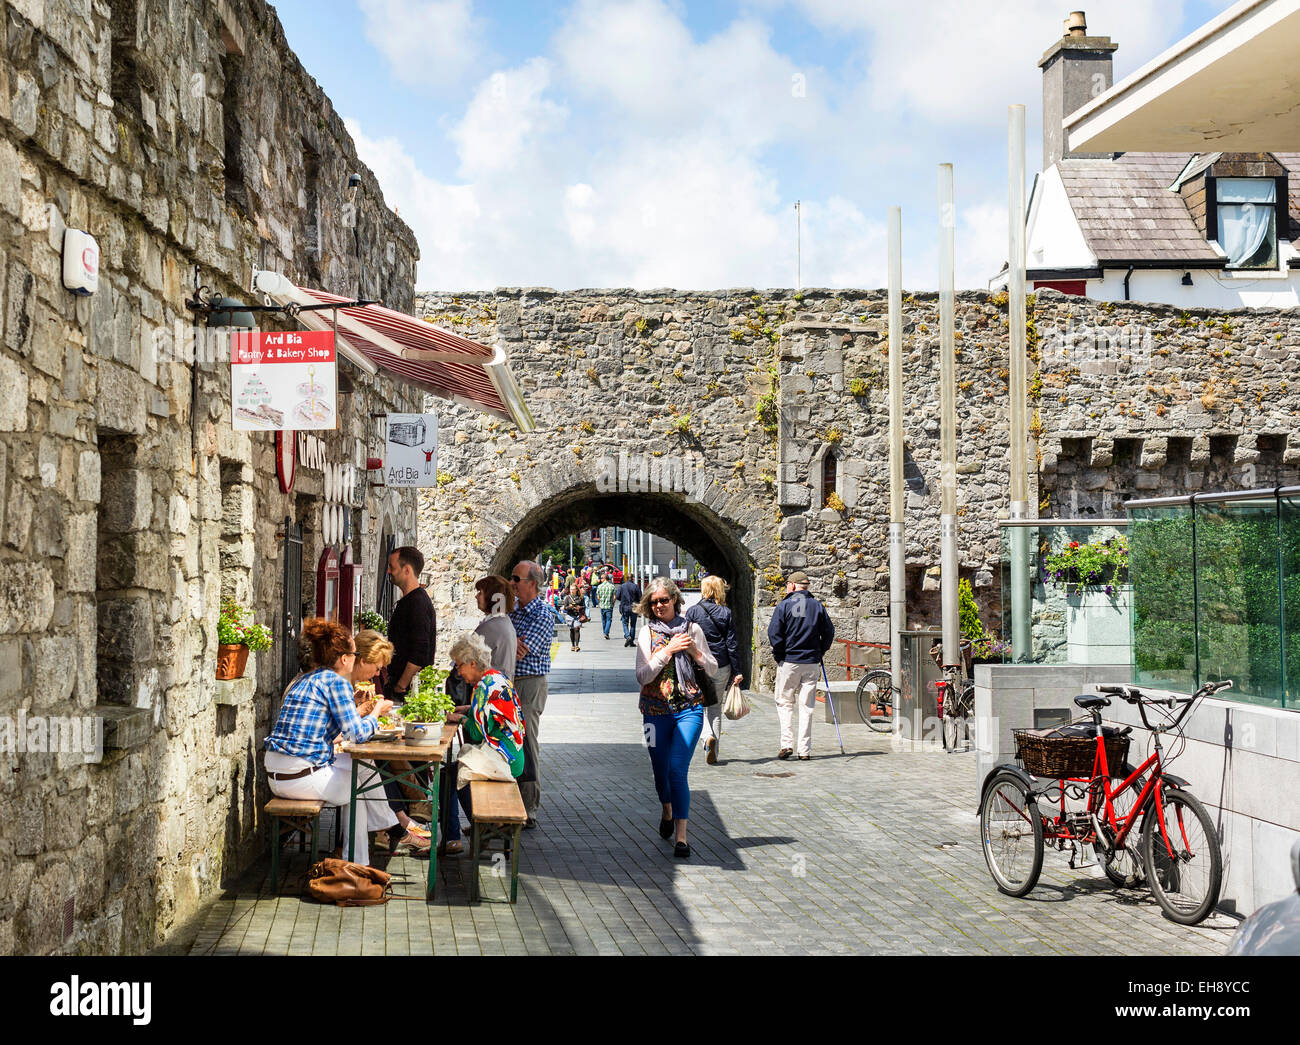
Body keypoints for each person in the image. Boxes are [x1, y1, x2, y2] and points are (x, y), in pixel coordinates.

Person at [264, 619, 398, 868]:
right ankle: (358, 861)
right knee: (358, 784)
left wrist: (359, 710)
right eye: (354, 653)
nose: (356, 657)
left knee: (361, 768)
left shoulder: (308, 678)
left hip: (277, 773)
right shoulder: (336, 682)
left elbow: (333, 729)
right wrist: (376, 712)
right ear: (344, 658)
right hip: (299, 777)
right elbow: (357, 735)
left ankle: (379, 830)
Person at [636, 577, 716, 859]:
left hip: (689, 708)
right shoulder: (646, 634)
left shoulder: (692, 629)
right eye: (654, 602)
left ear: (675, 600)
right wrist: (667, 652)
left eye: (664, 600)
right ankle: (666, 809)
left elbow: (714, 668)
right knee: (660, 772)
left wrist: (693, 651)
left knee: (677, 771)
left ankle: (682, 837)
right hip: (653, 712)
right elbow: (642, 675)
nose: (659, 605)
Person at [351, 629, 429, 852]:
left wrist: (364, 707)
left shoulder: (351, 682)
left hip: (346, 751)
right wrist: (373, 710)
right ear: (363, 660)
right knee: (371, 766)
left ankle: (399, 822)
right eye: (376, 667)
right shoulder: (340, 681)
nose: (377, 672)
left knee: (378, 763)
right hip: (334, 758)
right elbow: (350, 730)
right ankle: (401, 823)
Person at [766, 571, 835, 761]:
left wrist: (779, 655)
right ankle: (804, 750)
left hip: (790, 660)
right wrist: (820, 652)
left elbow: (774, 633)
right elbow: (829, 632)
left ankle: (787, 744)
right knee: (807, 706)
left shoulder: (784, 605)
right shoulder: (817, 606)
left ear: (794, 585)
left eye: (788, 584)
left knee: (785, 701)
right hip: (811, 662)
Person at [447, 633, 526, 791]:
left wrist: (459, 719)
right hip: (516, 756)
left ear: (472, 664)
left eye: (459, 666)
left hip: (504, 759)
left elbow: (476, 733)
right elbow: (492, 712)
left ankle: (474, 816)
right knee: (453, 772)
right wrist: (469, 709)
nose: (459, 672)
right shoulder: (497, 678)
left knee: (451, 776)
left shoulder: (482, 689)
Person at [508, 560, 553, 828]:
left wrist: (511, 641)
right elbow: (505, 645)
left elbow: (519, 649)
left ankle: (528, 807)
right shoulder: (515, 612)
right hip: (513, 682)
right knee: (509, 741)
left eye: (516, 579)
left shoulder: (543, 614)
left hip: (529, 683)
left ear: (532, 584)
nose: (512, 583)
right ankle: (510, 805)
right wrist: (511, 641)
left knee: (526, 742)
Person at [684, 575, 744, 765]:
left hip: (699, 665)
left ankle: (706, 737)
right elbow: (731, 644)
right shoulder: (725, 613)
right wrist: (737, 670)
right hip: (722, 664)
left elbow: (685, 639)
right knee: (715, 709)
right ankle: (714, 750)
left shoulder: (693, 612)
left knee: (697, 707)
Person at [384, 546, 436, 700]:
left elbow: (420, 652)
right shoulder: (411, 601)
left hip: (407, 690)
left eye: (392, 567)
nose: (388, 571)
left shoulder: (417, 603)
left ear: (406, 570)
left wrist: (401, 685)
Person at [473, 575, 517, 680]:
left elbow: (466, 662)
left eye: (480, 593)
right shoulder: (503, 621)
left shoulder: (492, 627)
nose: (476, 596)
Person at [616, 572, 643, 647]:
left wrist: (623, 599)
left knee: (625, 623)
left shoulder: (622, 586)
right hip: (634, 607)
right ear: (633, 578)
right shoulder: (636, 586)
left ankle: (627, 636)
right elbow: (640, 597)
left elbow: (617, 596)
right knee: (633, 625)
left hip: (624, 607)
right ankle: (631, 642)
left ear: (626, 578)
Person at [562, 580, 585, 652]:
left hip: (577, 615)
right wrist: (571, 607)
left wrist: (579, 607)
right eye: (571, 589)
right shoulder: (567, 598)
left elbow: (584, 606)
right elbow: (565, 608)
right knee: (572, 630)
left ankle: (577, 646)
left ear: (576, 590)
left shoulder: (580, 597)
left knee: (577, 629)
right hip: (570, 615)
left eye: (573, 589)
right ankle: (573, 645)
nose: (572, 591)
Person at [595, 571, 618, 640]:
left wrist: (600, 602)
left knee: (603, 620)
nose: (600, 580)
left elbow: (598, 597)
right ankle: (606, 632)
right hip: (609, 605)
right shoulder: (612, 586)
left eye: (601, 578)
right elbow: (614, 597)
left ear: (604, 578)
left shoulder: (599, 586)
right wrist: (613, 603)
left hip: (602, 606)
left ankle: (605, 632)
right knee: (609, 620)